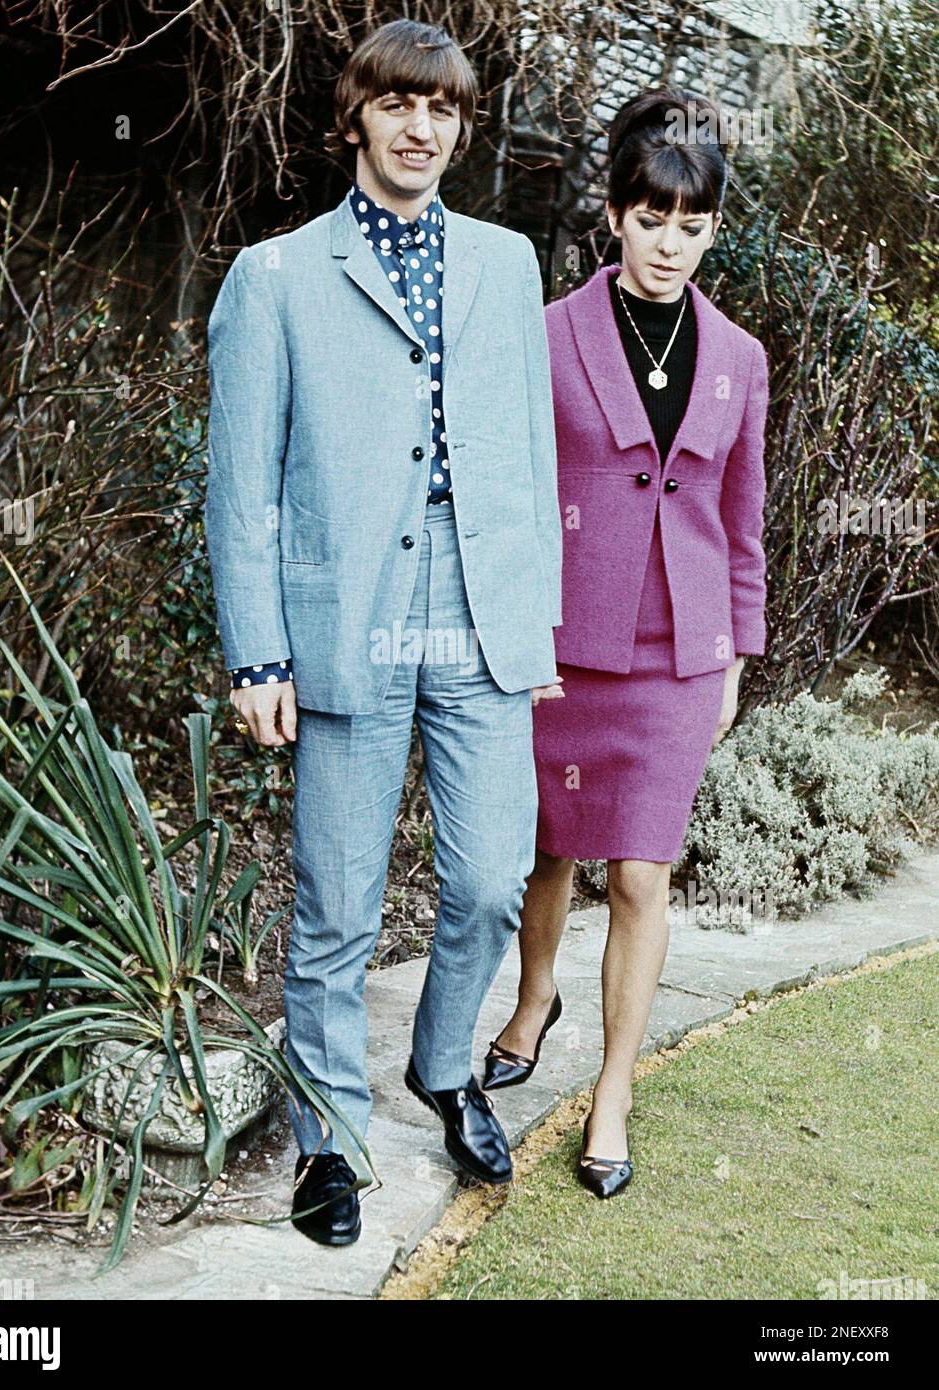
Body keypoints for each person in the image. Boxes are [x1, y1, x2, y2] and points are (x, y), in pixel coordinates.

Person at [204, 18, 564, 1246]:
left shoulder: (507, 264)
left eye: (445, 110)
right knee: (339, 907)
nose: (423, 129)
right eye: (400, 105)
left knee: (485, 879)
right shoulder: (277, 278)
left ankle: (445, 1064)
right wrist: (258, 652)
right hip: (344, 621)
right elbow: (240, 483)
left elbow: (527, 450)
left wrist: (534, 617)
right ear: (356, 115)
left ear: (464, 126)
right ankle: (326, 1140)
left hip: (479, 618)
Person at [482, 88, 771, 1200]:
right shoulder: (545, 336)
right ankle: (531, 996)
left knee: (641, 871)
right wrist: (515, 633)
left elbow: (740, 517)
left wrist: (737, 650)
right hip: (563, 643)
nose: (668, 246)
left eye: (691, 227)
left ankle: (612, 1089)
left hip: (680, 659)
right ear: (612, 214)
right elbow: (508, 501)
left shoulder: (740, 356)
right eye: (650, 220)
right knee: (552, 848)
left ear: (711, 229)